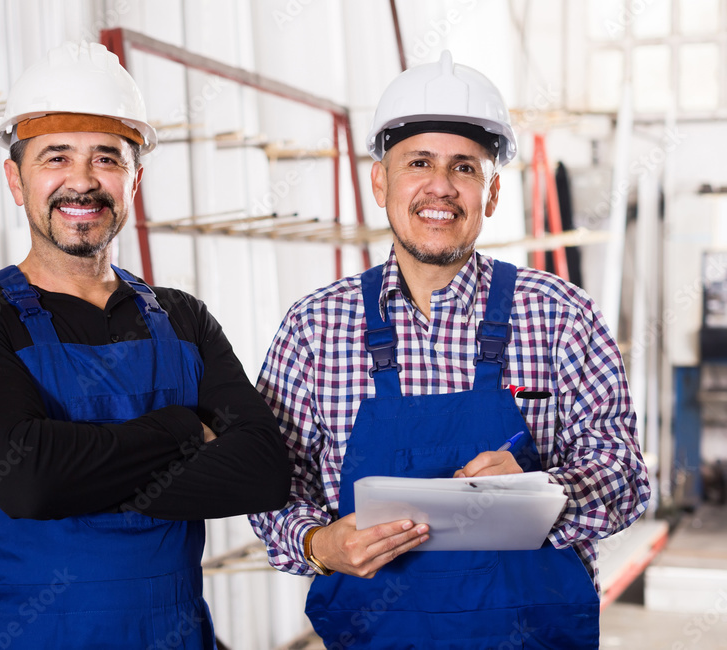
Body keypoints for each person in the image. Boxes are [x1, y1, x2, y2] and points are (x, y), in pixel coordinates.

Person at [249, 50, 650, 649]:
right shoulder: (315, 328)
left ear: (490, 194)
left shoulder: (561, 315)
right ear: (381, 181)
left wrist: (548, 489)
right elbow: (270, 485)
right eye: (419, 162)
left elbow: (628, 479)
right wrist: (318, 543)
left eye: (465, 167)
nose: (441, 187)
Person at [0, 42, 290, 649]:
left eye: (106, 159)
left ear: (134, 180)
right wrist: (179, 429)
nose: (83, 181)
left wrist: (78, 473)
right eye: (56, 157)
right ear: (16, 179)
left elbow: (262, 472)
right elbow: (27, 479)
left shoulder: (183, 318)